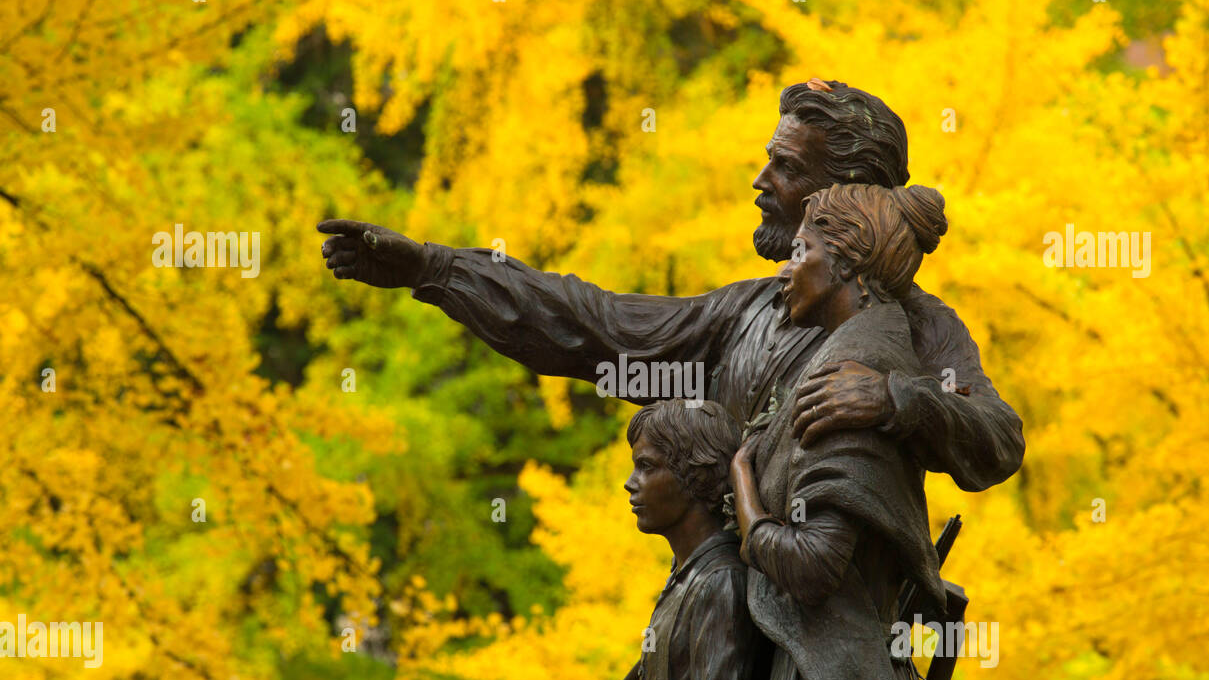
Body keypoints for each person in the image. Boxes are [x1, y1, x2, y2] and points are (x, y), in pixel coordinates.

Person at [317, 79, 1024, 493]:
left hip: (834, 634)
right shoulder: (742, 316)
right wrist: (437, 270)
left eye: (785, 168)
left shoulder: (923, 331)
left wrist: (898, 400)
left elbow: (996, 441)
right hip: (726, 612)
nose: (761, 182)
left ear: (843, 194)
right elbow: (591, 327)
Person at [730, 182, 951, 680]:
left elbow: (813, 566)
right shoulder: (850, 358)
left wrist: (745, 495)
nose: (784, 268)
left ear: (847, 265)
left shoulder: (849, 375)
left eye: (800, 251)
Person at [621, 399, 757, 680]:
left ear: (693, 475)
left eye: (647, 466)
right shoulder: (685, 580)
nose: (630, 483)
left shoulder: (719, 582)